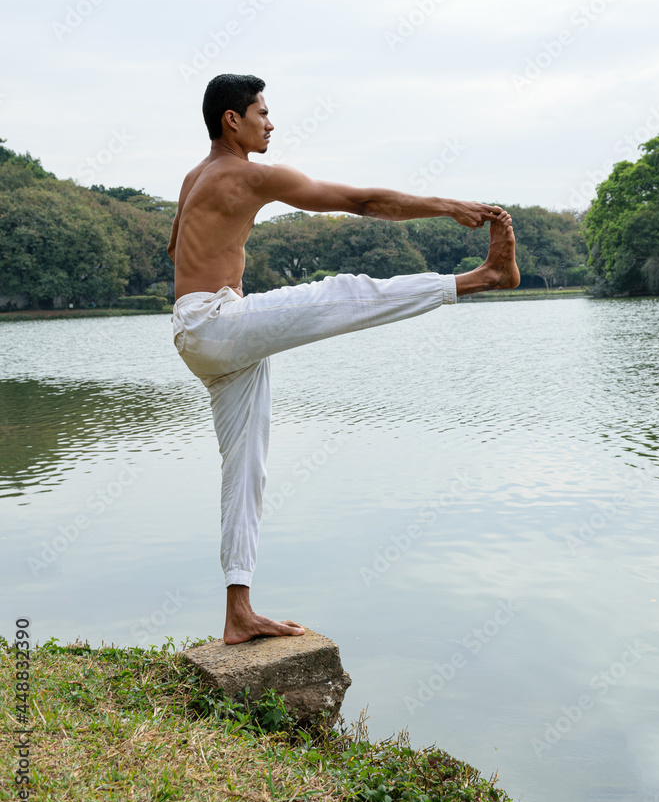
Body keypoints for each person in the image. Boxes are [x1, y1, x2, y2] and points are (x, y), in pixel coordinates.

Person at [168, 73, 520, 644]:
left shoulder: (194, 178)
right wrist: (447, 206)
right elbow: (361, 202)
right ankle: (481, 278)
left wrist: (219, 251)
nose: (271, 122)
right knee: (341, 293)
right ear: (232, 119)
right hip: (216, 323)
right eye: (262, 112)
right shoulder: (249, 175)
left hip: (203, 331)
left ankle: (239, 613)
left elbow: (176, 241)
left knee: (246, 467)